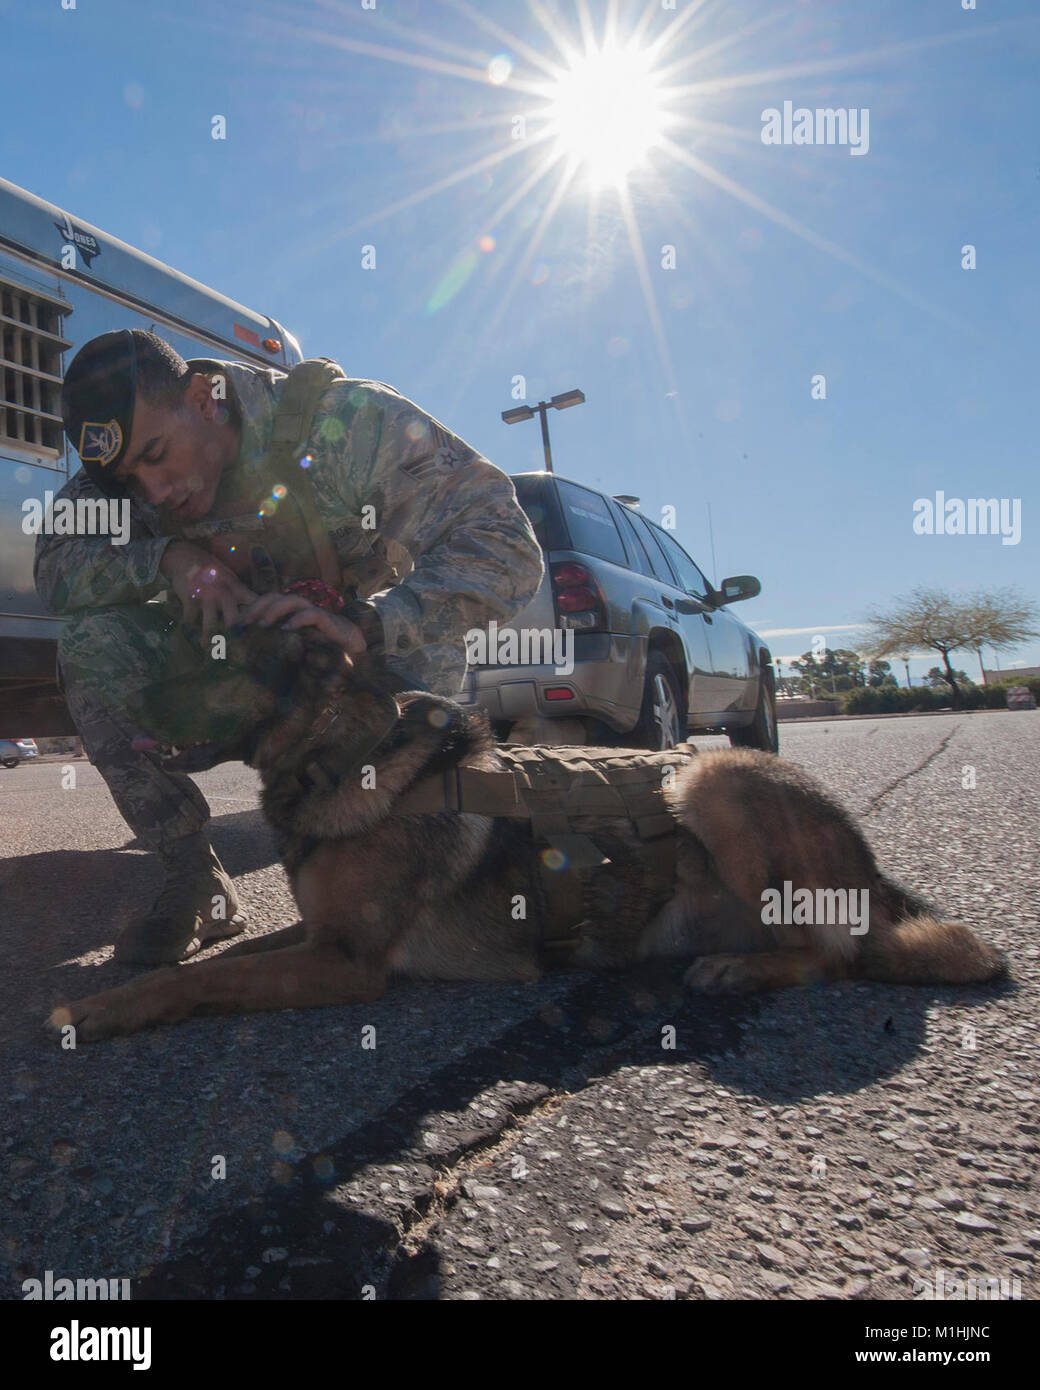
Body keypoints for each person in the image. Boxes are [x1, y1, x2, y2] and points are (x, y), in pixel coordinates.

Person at [36, 329, 543, 965]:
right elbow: (55, 569)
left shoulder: (342, 423)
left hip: (368, 680)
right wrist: (167, 556)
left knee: (407, 914)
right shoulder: (121, 480)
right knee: (87, 645)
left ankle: (423, 847)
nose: (154, 491)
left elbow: (506, 544)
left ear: (202, 398)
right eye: (131, 480)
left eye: (157, 455)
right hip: (240, 677)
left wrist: (371, 623)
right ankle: (194, 880)